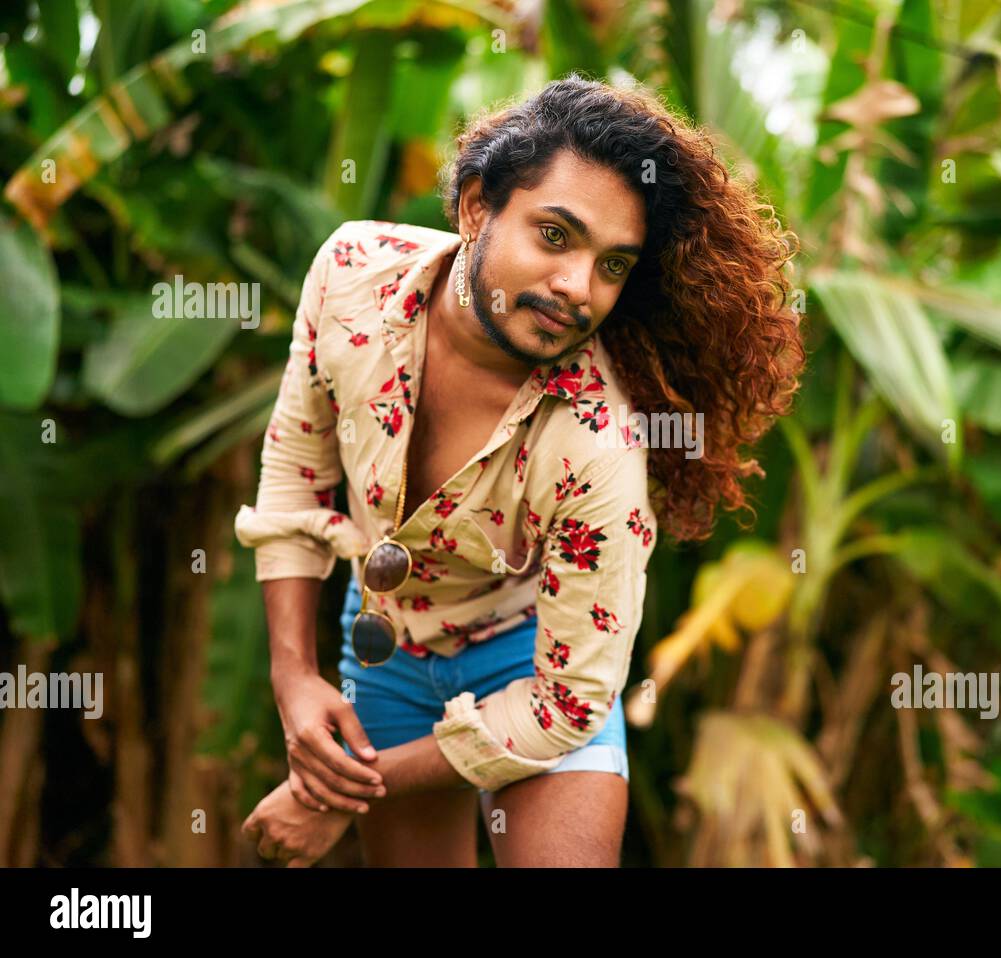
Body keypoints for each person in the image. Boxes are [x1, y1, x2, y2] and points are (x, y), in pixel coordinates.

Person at [236, 75, 804, 867]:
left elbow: (568, 701)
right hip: (389, 650)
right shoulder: (351, 277)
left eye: (613, 266)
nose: (579, 287)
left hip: (534, 660)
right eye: (556, 236)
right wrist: (293, 675)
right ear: (476, 208)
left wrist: (332, 789)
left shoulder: (597, 442)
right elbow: (296, 475)